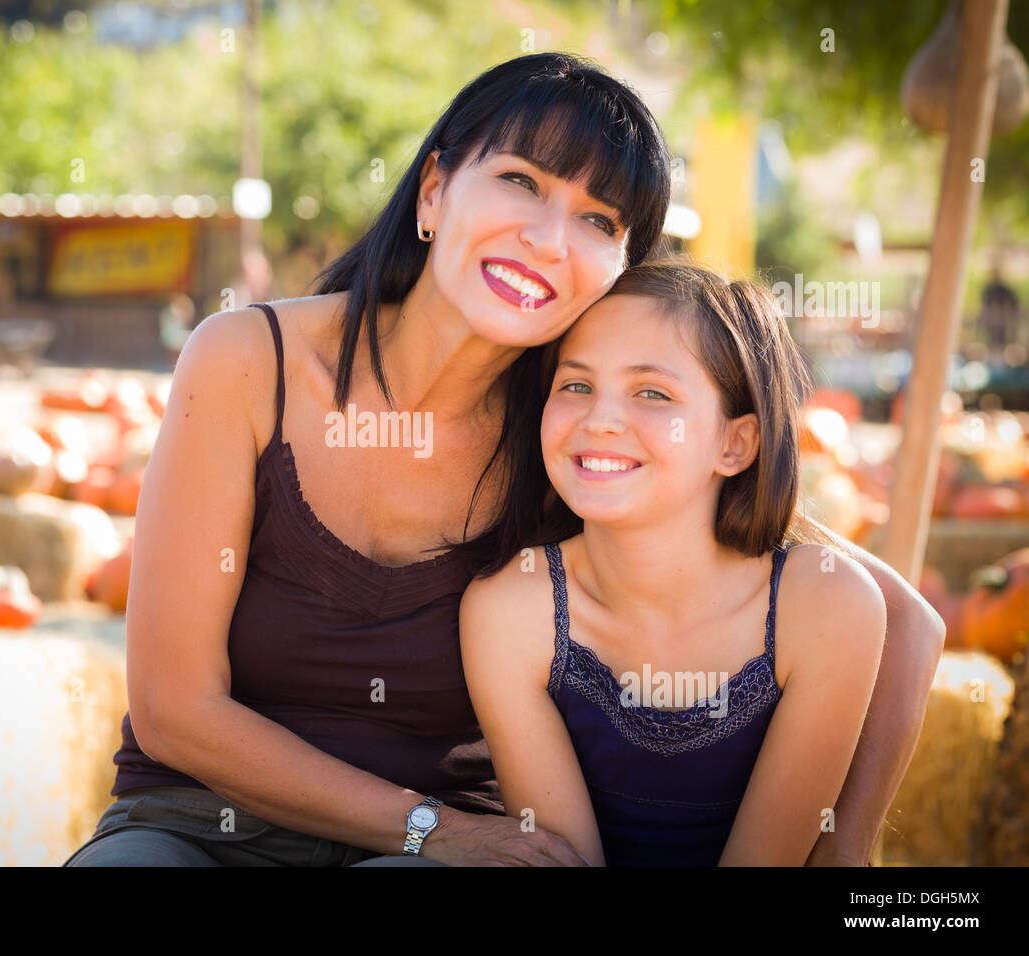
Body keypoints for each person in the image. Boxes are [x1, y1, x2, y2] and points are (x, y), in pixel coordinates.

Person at [65, 52, 943, 868]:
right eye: (521, 181)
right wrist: (429, 830)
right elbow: (177, 709)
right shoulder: (247, 362)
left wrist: (846, 853)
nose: (549, 239)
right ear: (435, 192)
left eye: (598, 221)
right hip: (197, 825)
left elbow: (901, 621)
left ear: (617, 272)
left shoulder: (577, 434)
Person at [460, 262, 886, 865]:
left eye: (652, 393)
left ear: (734, 443)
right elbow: (562, 859)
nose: (599, 419)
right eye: (575, 385)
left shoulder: (825, 605)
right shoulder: (512, 607)